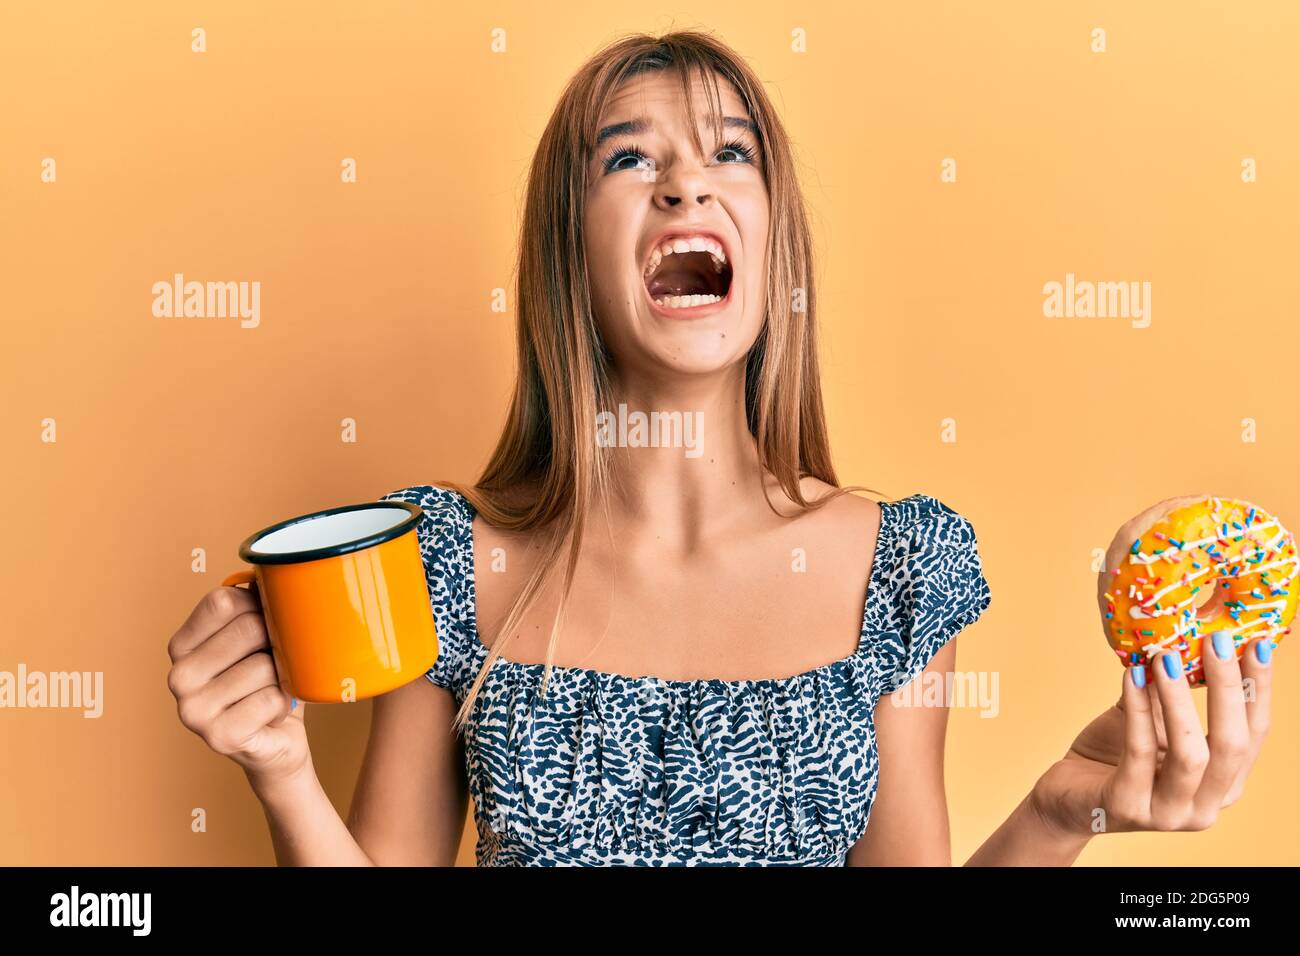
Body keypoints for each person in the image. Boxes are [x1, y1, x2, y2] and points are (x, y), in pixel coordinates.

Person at [166, 31, 1278, 866]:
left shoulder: (891, 568)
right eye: (627, 159)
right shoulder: (452, 565)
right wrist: (279, 770)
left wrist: (1058, 807)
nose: (685, 180)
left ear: (769, 235)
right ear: (571, 250)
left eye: (728, 154)